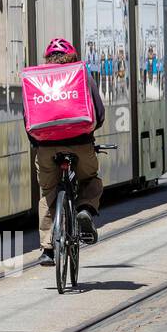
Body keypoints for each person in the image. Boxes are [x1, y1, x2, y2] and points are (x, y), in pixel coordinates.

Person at [31, 37, 105, 266]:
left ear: (47, 58)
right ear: (72, 57)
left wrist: (38, 142)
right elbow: (99, 114)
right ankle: (84, 210)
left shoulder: (37, 80)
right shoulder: (82, 74)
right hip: (81, 144)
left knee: (48, 192)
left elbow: (29, 118)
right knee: (90, 180)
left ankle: (48, 250)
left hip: (46, 148)